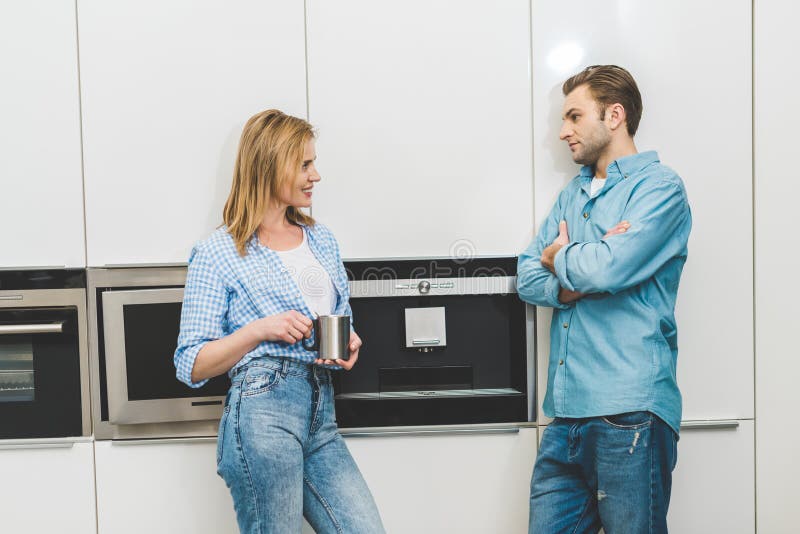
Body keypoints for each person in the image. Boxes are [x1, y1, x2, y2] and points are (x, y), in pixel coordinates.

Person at [174, 109, 385, 534]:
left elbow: (339, 317)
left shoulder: (321, 239)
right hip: (261, 414)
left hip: (321, 413)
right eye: (305, 164)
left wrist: (348, 341)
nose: (316, 175)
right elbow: (190, 363)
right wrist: (258, 330)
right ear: (270, 166)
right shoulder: (218, 252)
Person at [517, 65, 692, 533]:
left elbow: (609, 267)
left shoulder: (660, 189)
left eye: (574, 117)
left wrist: (563, 255)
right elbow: (527, 277)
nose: (562, 132)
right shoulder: (571, 194)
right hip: (565, 418)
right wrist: (578, 269)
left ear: (614, 115)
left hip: (629, 414)